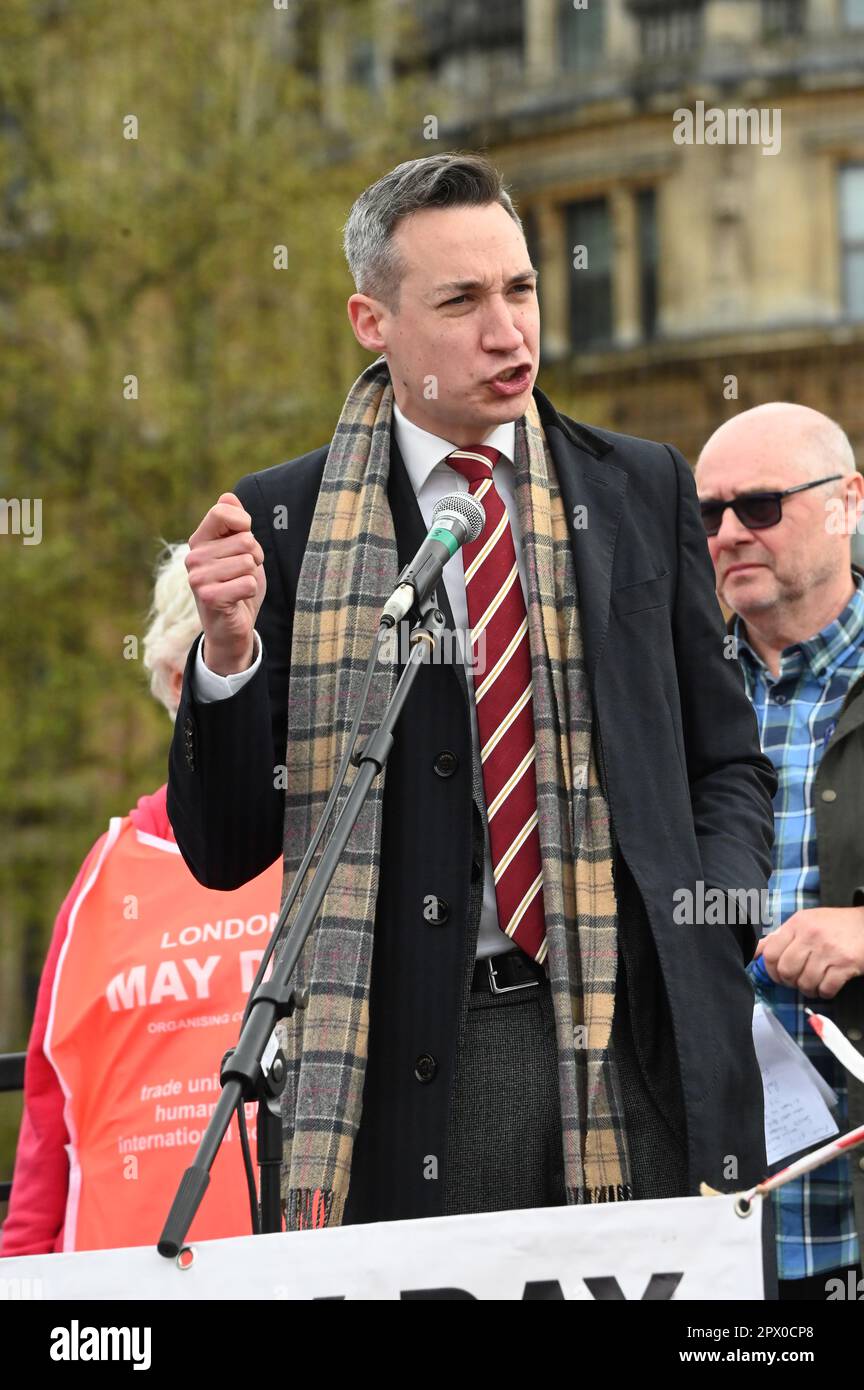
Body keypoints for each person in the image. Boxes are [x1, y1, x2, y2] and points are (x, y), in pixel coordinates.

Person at [167, 152, 777, 1234]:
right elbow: (222, 848)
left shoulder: (638, 486)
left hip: (645, 1038)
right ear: (373, 320)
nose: (509, 332)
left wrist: (710, 924)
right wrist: (225, 654)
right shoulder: (283, 523)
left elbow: (724, 757)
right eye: (462, 301)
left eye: (522, 289)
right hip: (424, 1065)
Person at [0, 545, 282, 1254]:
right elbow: (49, 1120)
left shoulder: (340, 842)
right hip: (122, 1301)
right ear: (179, 680)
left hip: (310, 1273)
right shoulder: (107, 874)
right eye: (222, 664)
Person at [696, 402, 864, 1300]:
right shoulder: (663, 691)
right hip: (713, 1224)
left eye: (760, 506)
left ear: (848, 503)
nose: (727, 533)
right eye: (707, 514)